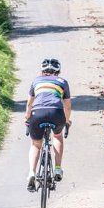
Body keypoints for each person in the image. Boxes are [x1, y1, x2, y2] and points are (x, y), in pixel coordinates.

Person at [23, 58, 72, 191]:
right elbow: (67, 106)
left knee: (35, 144)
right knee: (57, 136)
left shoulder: (36, 81)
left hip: (37, 112)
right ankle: (57, 169)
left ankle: (32, 173)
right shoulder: (63, 82)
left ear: (42, 71)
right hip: (56, 112)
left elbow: (29, 103)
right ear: (58, 71)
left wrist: (27, 118)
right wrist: (67, 121)